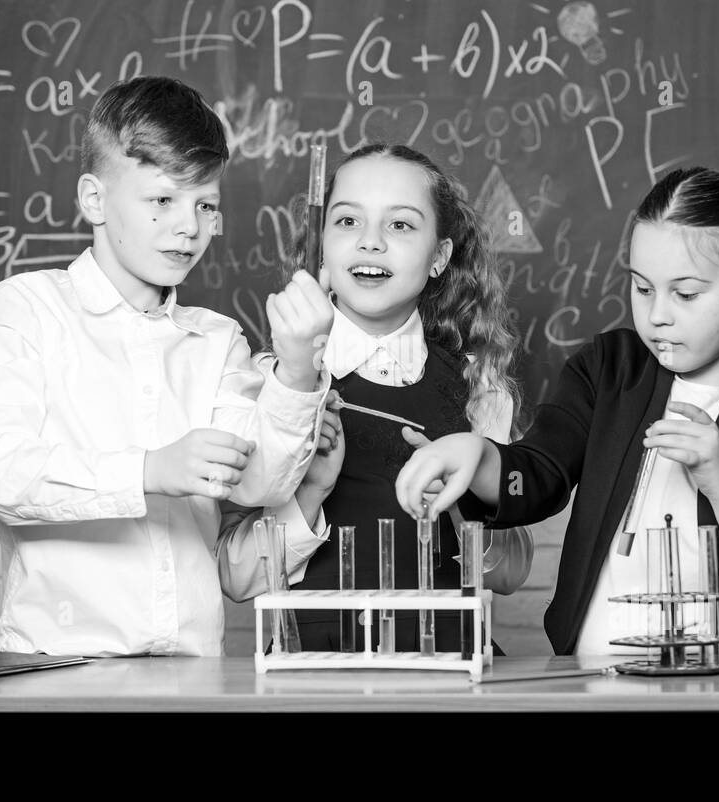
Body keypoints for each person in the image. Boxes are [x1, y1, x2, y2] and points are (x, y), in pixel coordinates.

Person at [395, 166, 719, 655]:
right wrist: (479, 457)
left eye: (685, 294)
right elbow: (539, 474)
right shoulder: (610, 370)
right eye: (642, 288)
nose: (658, 314)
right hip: (593, 684)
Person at [0, 76, 333, 657]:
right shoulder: (23, 311)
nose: (189, 227)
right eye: (162, 200)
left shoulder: (218, 340)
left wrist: (299, 371)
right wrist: (149, 470)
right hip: (54, 671)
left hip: (192, 674)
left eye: (206, 205)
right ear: (94, 199)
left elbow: (261, 483)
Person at [217, 144, 533, 652]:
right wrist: (309, 494)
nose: (370, 243)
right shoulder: (268, 382)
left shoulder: (479, 386)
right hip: (315, 681)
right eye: (346, 222)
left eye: (401, 226)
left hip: (454, 672)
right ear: (321, 244)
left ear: (440, 258)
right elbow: (235, 577)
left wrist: (465, 501)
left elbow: (512, 571)